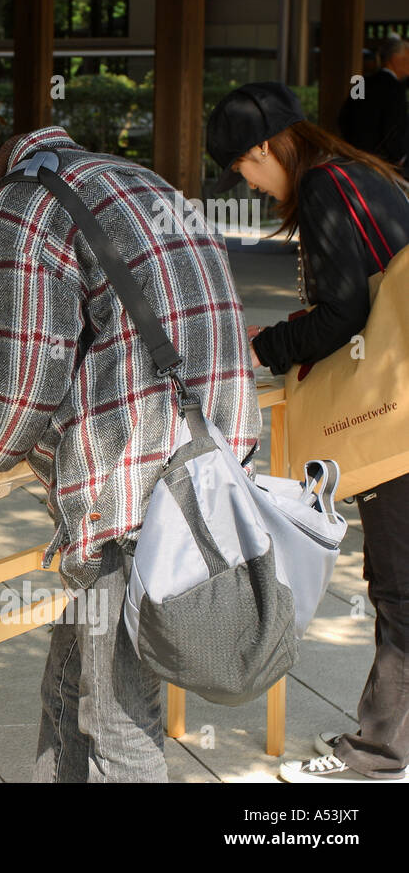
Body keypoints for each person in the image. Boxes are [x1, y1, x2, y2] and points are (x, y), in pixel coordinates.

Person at [0, 122, 260, 782]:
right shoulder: (124, 175)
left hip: (137, 486)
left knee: (118, 725)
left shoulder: (20, 206)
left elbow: (23, 388)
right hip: (212, 463)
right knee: (75, 678)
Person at [207, 81, 409, 783]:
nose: (253, 185)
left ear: (265, 146)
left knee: (398, 585)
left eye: (246, 170)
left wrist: (262, 349)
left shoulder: (325, 185)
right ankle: (383, 742)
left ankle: (378, 755)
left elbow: (344, 314)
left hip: (393, 414)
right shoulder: (369, 173)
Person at [338, 33, 409, 169]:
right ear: (395, 59)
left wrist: (351, 147)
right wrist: (398, 157)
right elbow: (392, 126)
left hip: (355, 155)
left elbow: (344, 118)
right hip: (382, 161)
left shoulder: (361, 82)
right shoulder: (396, 88)